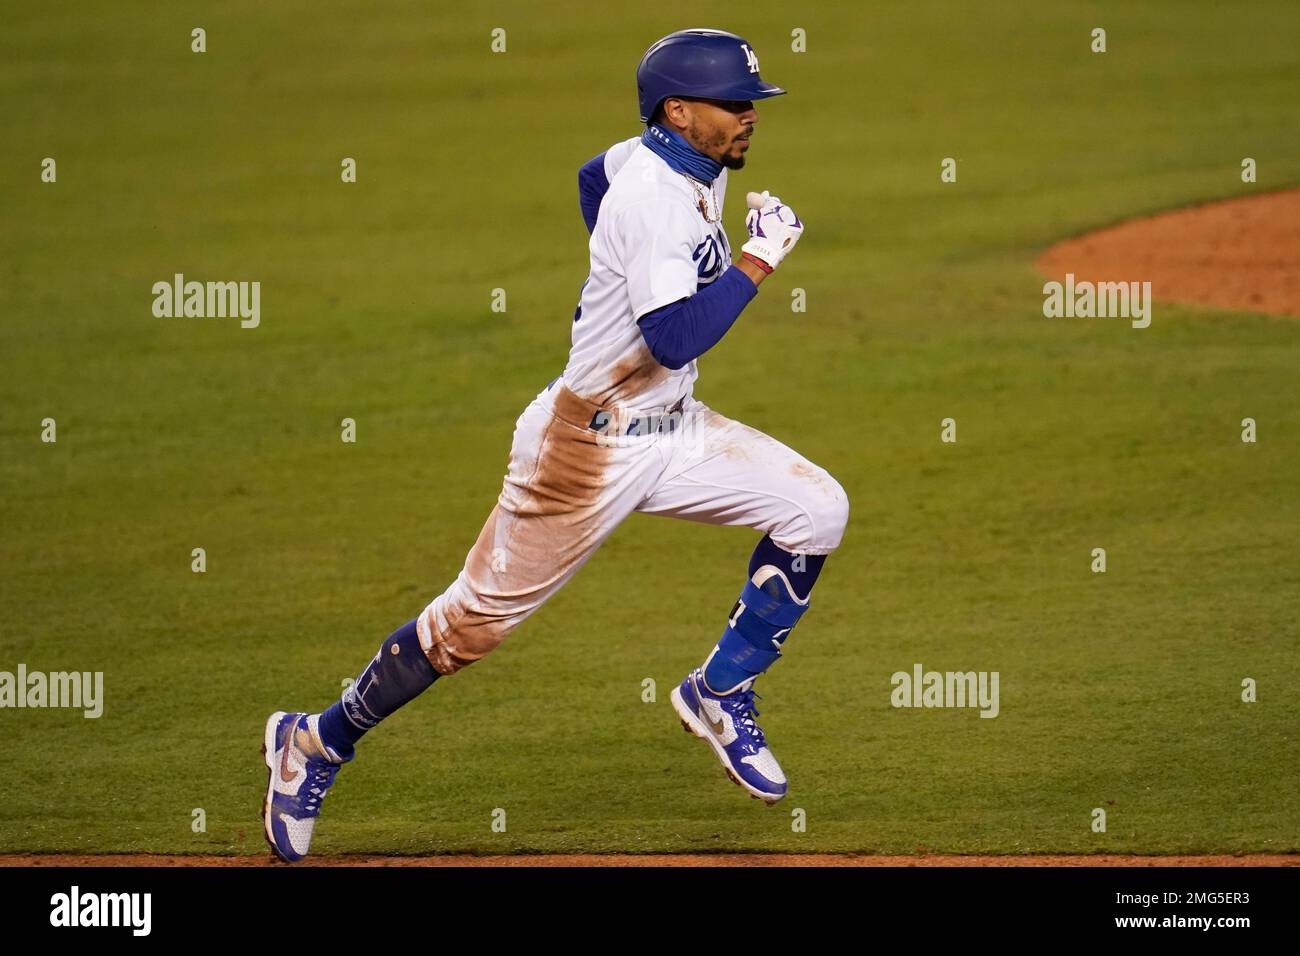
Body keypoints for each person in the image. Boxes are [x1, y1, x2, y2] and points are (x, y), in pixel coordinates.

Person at [261, 27, 848, 862]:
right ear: (678, 111)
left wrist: (607, 272)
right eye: (734, 103)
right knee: (468, 628)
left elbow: (590, 175)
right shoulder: (652, 198)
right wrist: (757, 260)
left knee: (817, 510)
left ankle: (721, 691)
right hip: (585, 449)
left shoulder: (683, 159)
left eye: (751, 102)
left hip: (672, 427)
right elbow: (675, 336)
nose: (750, 115)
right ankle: (314, 741)